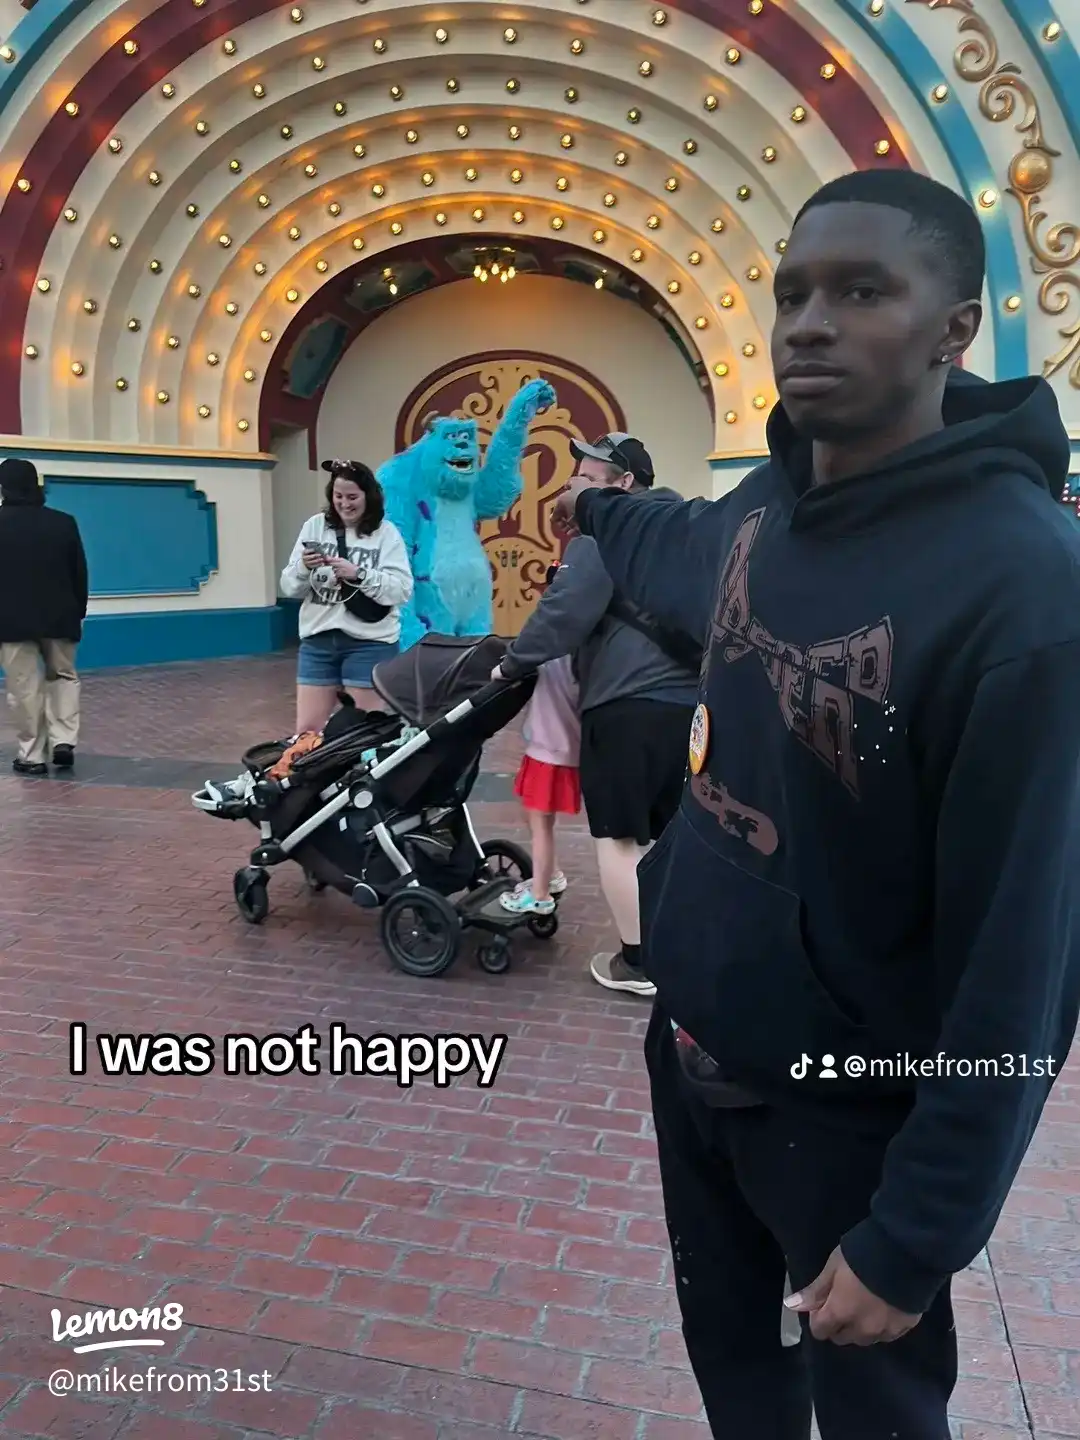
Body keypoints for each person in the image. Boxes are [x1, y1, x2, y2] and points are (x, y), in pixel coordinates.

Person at [553, 167, 1080, 1440]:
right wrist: (599, 509)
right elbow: (674, 547)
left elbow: (1027, 957)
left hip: (852, 1129)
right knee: (741, 1392)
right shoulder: (765, 510)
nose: (811, 323)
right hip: (695, 1063)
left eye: (861, 291)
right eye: (793, 292)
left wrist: (916, 1238)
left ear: (956, 327)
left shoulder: (1029, 591)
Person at [494, 435, 699, 995]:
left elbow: (564, 612)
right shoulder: (684, 527)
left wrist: (510, 664)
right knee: (672, 833)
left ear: (623, 481)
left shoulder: (607, 530)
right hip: (692, 704)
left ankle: (639, 963)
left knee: (619, 839)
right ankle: (682, 944)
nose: (573, 483)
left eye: (586, 473)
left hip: (626, 703)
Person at [280, 458, 413, 733]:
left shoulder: (386, 533)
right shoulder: (315, 526)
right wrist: (305, 567)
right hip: (318, 642)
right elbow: (290, 588)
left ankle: (358, 778)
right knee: (308, 732)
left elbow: (401, 590)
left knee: (363, 733)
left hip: (369, 644)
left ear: (368, 496)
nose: (345, 504)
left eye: (352, 497)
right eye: (338, 496)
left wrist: (360, 574)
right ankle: (315, 776)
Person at [0, 457, 88, 776]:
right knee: (63, 676)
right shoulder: (63, 522)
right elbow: (79, 572)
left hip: (10, 622)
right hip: (60, 617)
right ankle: (64, 740)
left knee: (23, 687)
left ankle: (32, 754)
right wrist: (78, 611)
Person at [499, 650, 580, 915]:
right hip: (558, 747)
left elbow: (513, 663)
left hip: (549, 750)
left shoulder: (552, 647)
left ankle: (539, 895)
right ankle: (551, 874)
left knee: (540, 825)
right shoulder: (584, 649)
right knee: (535, 818)